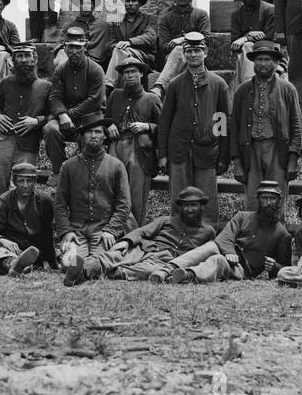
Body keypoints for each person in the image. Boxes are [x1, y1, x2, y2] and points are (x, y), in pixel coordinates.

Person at [162, 180, 292, 284]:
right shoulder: (242, 217)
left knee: (218, 260)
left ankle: (187, 275)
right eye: (265, 198)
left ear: (279, 201)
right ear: (258, 199)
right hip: (227, 253)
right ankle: (167, 269)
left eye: (272, 199)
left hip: (241, 269)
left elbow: (284, 269)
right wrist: (229, 252)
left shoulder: (282, 234)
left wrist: (275, 266)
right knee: (211, 246)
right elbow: (223, 238)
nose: (268, 203)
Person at [55, 113, 134, 286]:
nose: (93, 136)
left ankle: (82, 272)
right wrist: (66, 232)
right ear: (82, 136)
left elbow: (124, 204)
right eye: (89, 132)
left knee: (101, 259)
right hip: (77, 230)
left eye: (98, 132)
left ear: (105, 136)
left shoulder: (116, 166)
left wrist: (111, 230)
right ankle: (74, 267)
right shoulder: (68, 166)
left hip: (103, 229)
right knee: (70, 259)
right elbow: (60, 204)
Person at [158, 32, 231, 213]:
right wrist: (163, 154)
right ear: (183, 54)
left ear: (205, 53)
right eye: (189, 51)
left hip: (206, 151)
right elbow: (165, 120)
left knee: (207, 199)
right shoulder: (175, 84)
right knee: (179, 198)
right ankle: (177, 234)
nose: (193, 55)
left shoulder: (218, 84)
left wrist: (222, 154)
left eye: (197, 51)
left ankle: (207, 234)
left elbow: (222, 119)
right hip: (179, 151)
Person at [230, 40, 302, 210]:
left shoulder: (288, 89)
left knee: (275, 200)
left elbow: (296, 126)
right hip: (251, 150)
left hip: (277, 150)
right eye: (259, 59)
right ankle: (252, 236)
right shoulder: (242, 91)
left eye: (267, 59)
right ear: (253, 62)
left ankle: (278, 236)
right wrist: (237, 161)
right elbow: (234, 127)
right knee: (253, 202)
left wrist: (293, 158)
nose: (263, 64)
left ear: (276, 62)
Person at [88, 186, 216, 283]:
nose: (189, 209)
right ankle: (84, 269)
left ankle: (115, 274)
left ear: (202, 207)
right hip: (144, 248)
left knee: (145, 271)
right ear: (181, 207)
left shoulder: (208, 231)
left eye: (194, 205)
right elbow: (142, 231)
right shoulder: (166, 220)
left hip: (164, 259)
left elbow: (203, 255)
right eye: (186, 205)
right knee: (115, 256)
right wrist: (126, 241)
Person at [0, 43, 50, 202]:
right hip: (1, 140)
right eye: (19, 56)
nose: (23, 60)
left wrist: (36, 121)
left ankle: (20, 225)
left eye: (27, 56)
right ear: (13, 60)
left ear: (35, 58)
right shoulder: (6, 82)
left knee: (23, 187)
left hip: (27, 143)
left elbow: (53, 114)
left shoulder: (46, 86)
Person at [105, 55, 161, 225]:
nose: (129, 76)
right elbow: (106, 119)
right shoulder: (115, 95)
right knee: (113, 188)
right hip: (116, 145)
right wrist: (109, 125)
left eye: (133, 72)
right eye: (126, 72)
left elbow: (164, 127)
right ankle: (114, 228)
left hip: (139, 149)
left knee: (137, 193)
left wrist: (147, 127)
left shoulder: (151, 99)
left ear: (141, 74)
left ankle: (136, 231)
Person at [43, 26, 105, 174]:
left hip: (89, 117)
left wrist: (68, 115)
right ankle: (59, 170)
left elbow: (94, 101)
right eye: (71, 47)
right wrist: (61, 114)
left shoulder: (95, 70)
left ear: (85, 48)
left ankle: (86, 172)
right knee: (50, 129)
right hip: (65, 116)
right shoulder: (61, 70)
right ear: (65, 49)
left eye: (78, 47)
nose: (74, 51)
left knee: (89, 135)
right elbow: (55, 96)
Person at [151, 0, 212, 94]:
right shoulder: (166, 18)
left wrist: (183, 39)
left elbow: (206, 37)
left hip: (197, 53)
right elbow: (164, 46)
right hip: (172, 58)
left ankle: (159, 87)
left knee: (180, 49)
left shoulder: (201, 14)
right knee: (179, 50)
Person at [102, 0, 158, 88]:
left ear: (140, 3)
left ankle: (109, 85)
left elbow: (150, 37)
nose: (130, 4)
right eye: (127, 1)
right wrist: (119, 46)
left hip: (143, 56)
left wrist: (129, 42)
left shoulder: (149, 19)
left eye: (133, 1)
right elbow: (110, 44)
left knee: (120, 50)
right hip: (121, 55)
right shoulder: (118, 22)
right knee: (120, 50)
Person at [228, 0, 276, 89]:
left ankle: (250, 84)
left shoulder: (269, 10)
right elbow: (234, 43)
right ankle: (246, 88)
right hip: (244, 55)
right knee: (245, 49)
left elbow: (268, 37)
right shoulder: (236, 15)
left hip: (267, 51)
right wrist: (249, 35)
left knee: (247, 45)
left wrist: (245, 39)